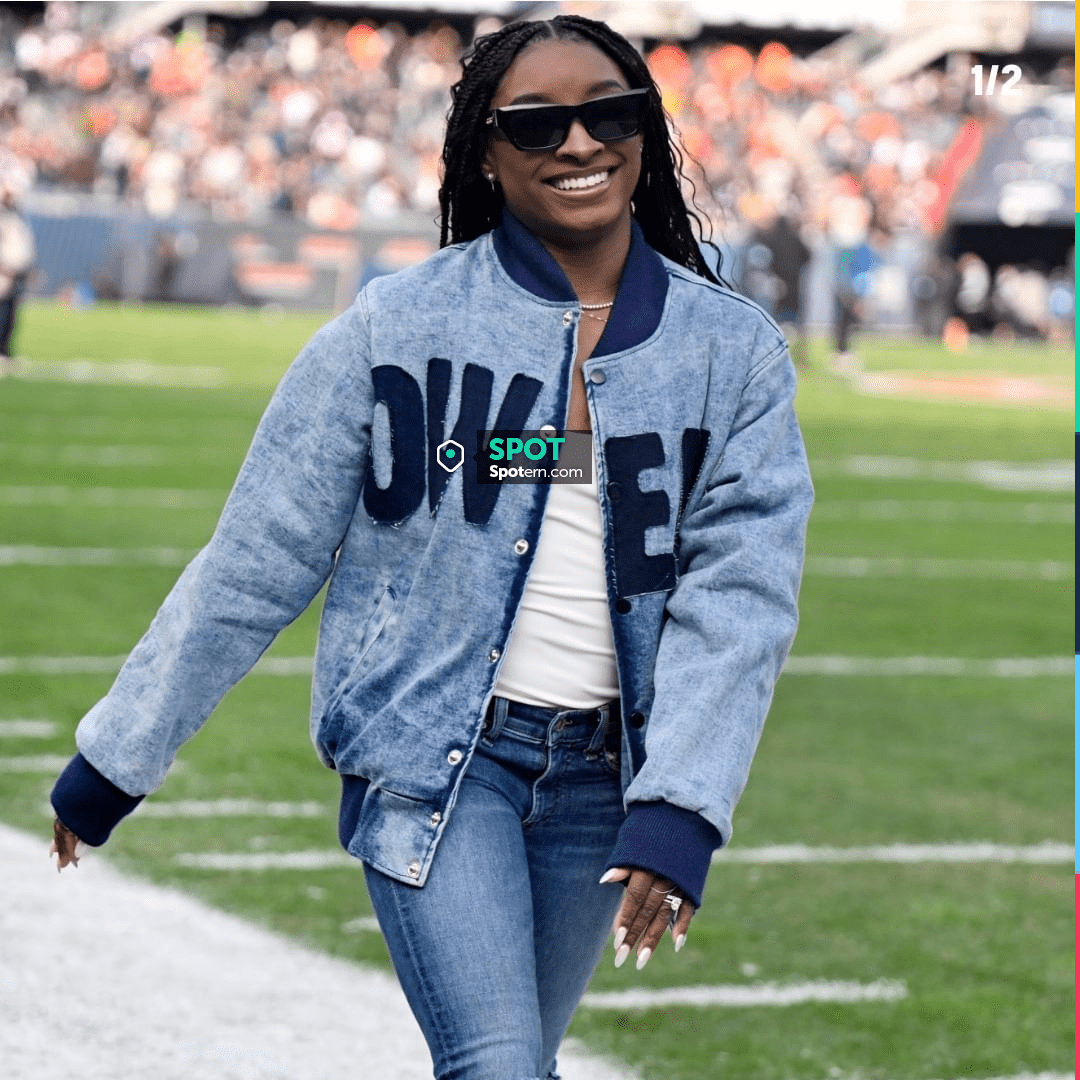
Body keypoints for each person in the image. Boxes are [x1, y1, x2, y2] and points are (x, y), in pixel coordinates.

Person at [49, 15, 813, 1080]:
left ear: (646, 129)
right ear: (485, 155)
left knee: (519, 1064)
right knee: (497, 1064)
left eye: (610, 114)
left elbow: (738, 595)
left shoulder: (734, 352)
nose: (580, 143)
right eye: (537, 124)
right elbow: (260, 555)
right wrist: (115, 759)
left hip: (604, 784)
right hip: (437, 762)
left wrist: (679, 806)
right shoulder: (394, 327)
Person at [0, 179, 36, 373]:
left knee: (11, 314)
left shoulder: (18, 217)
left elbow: (24, 245)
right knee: (3, 312)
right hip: (4, 273)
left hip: (17, 272)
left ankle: (5, 351)